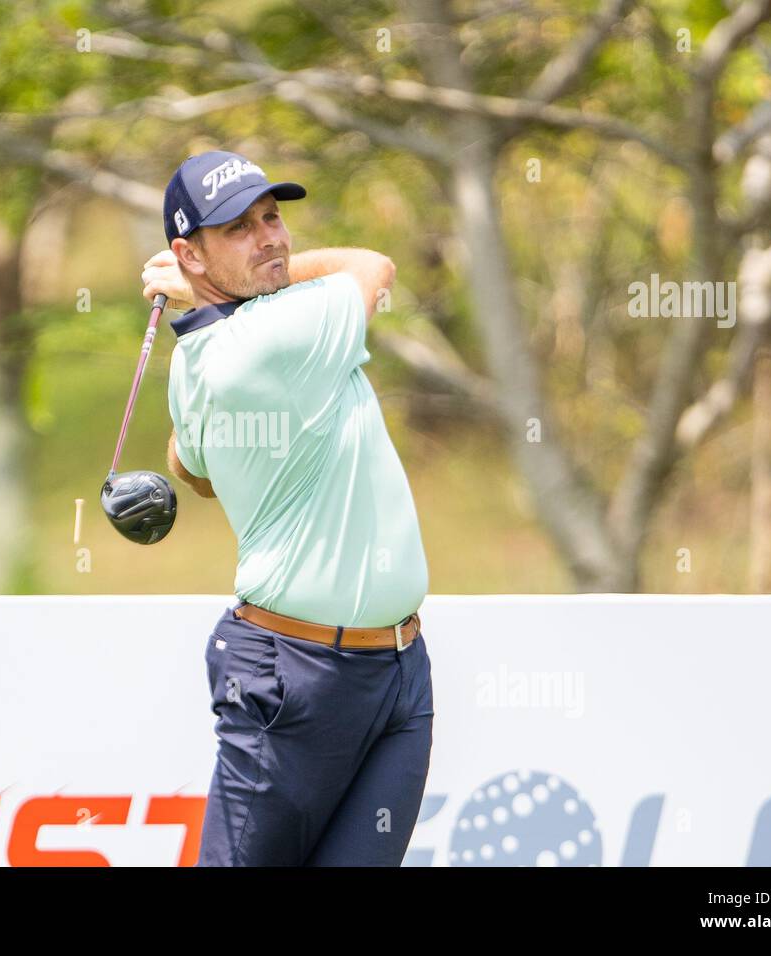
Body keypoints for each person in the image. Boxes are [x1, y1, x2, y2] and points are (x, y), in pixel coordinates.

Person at [141, 149, 433, 866]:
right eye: (238, 228)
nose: (270, 237)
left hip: (397, 671)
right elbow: (371, 268)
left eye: (272, 216)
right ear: (189, 254)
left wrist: (208, 293)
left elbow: (193, 468)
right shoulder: (276, 333)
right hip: (298, 679)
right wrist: (211, 291)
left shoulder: (196, 357)